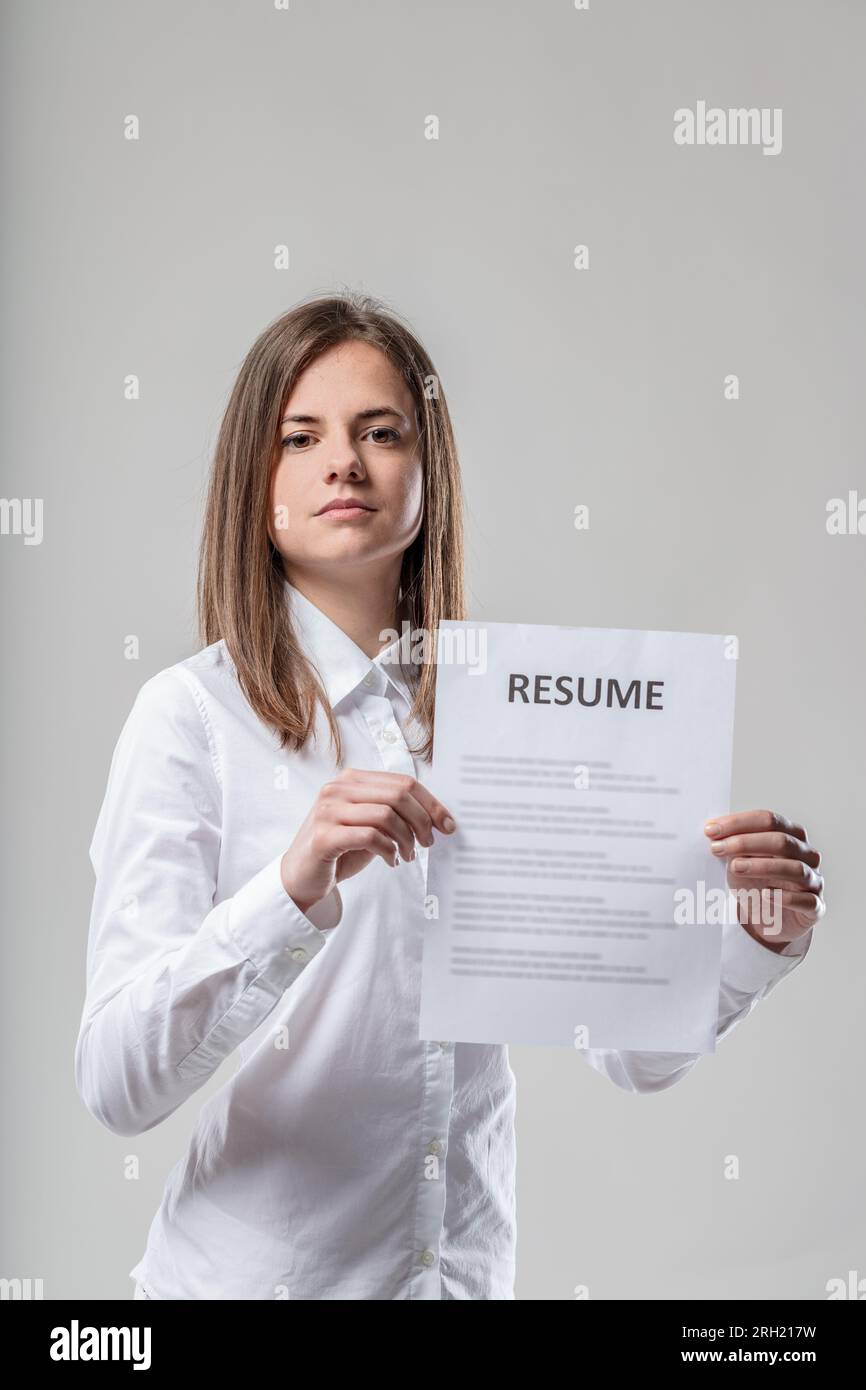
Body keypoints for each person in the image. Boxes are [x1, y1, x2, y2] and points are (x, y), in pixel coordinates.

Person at [74, 292, 825, 1300]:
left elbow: (626, 1051)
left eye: (380, 432)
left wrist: (741, 942)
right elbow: (118, 1083)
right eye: (301, 437)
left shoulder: (510, 716)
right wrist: (288, 890)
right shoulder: (189, 718)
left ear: (429, 473)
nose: (343, 461)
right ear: (253, 479)